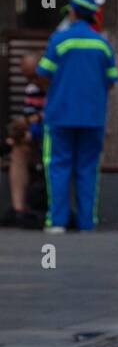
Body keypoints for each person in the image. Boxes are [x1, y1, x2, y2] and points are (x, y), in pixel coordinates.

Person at [35, 0, 118, 232]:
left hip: (60, 114)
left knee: (58, 166)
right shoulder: (102, 44)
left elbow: (42, 74)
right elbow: (112, 81)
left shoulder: (59, 40)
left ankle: (57, 222)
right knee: (88, 168)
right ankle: (86, 222)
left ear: (72, 12)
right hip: (93, 116)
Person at [3, 52, 45, 228]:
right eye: (27, 77)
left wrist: (33, 130)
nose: (32, 80)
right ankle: (19, 210)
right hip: (38, 136)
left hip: (59, 138)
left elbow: (53, 118)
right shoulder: (32, 89)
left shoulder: (60, 87)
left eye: (34, 75)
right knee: (18, 149)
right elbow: (32, 117)